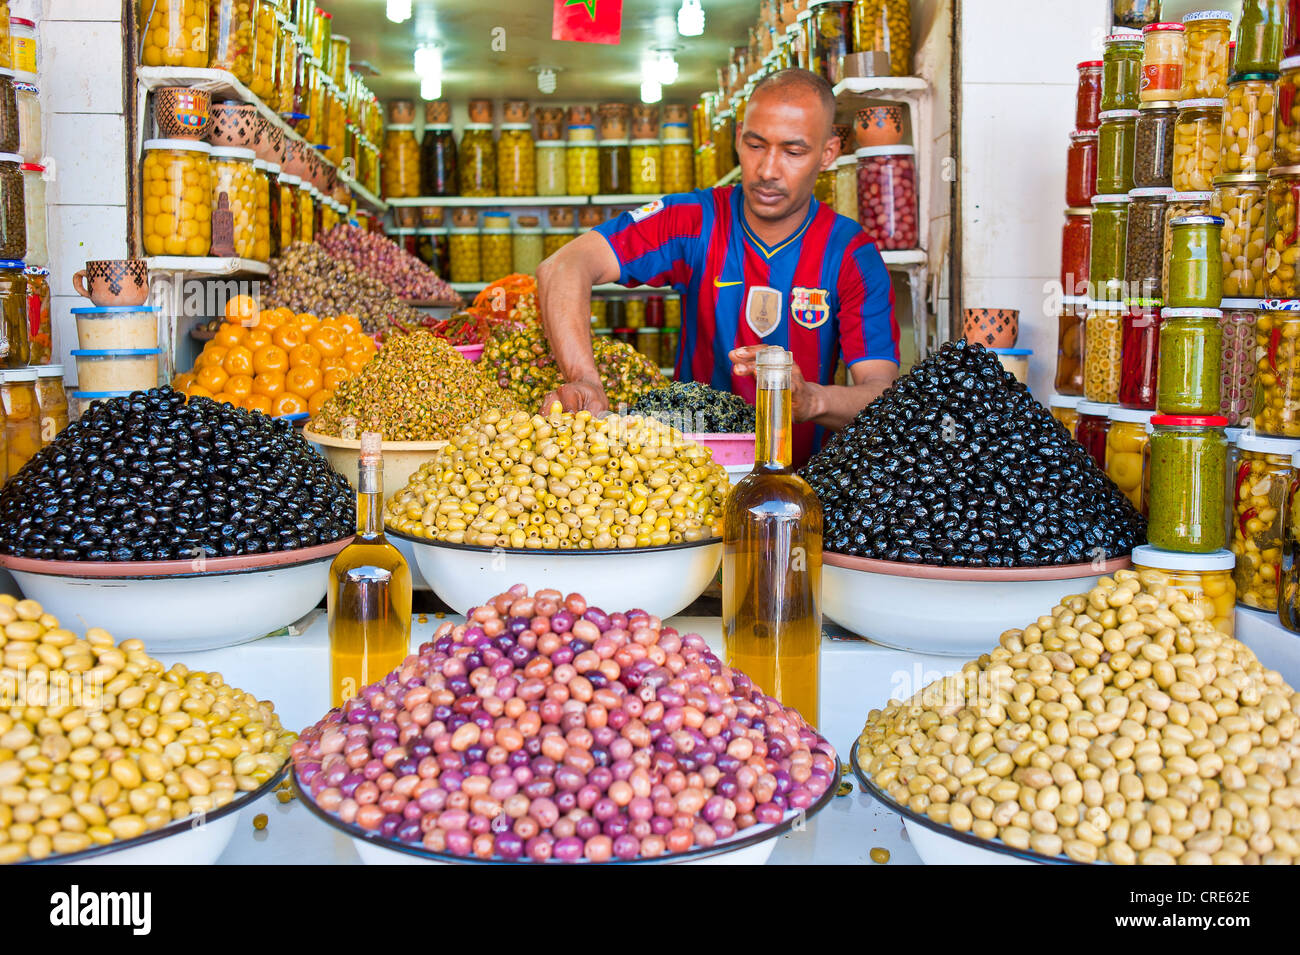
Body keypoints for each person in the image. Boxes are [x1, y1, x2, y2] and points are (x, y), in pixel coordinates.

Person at [536, 68, 901, 466]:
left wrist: (811, 399)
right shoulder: (694, 219)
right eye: (755, 145)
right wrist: (585, 377)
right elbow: (563, 265)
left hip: (803, 483)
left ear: (828, 153)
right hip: (682, 482)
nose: (768, 170)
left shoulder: (850, 254)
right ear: (738, 137)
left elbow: (880, 394)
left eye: (793, 152)